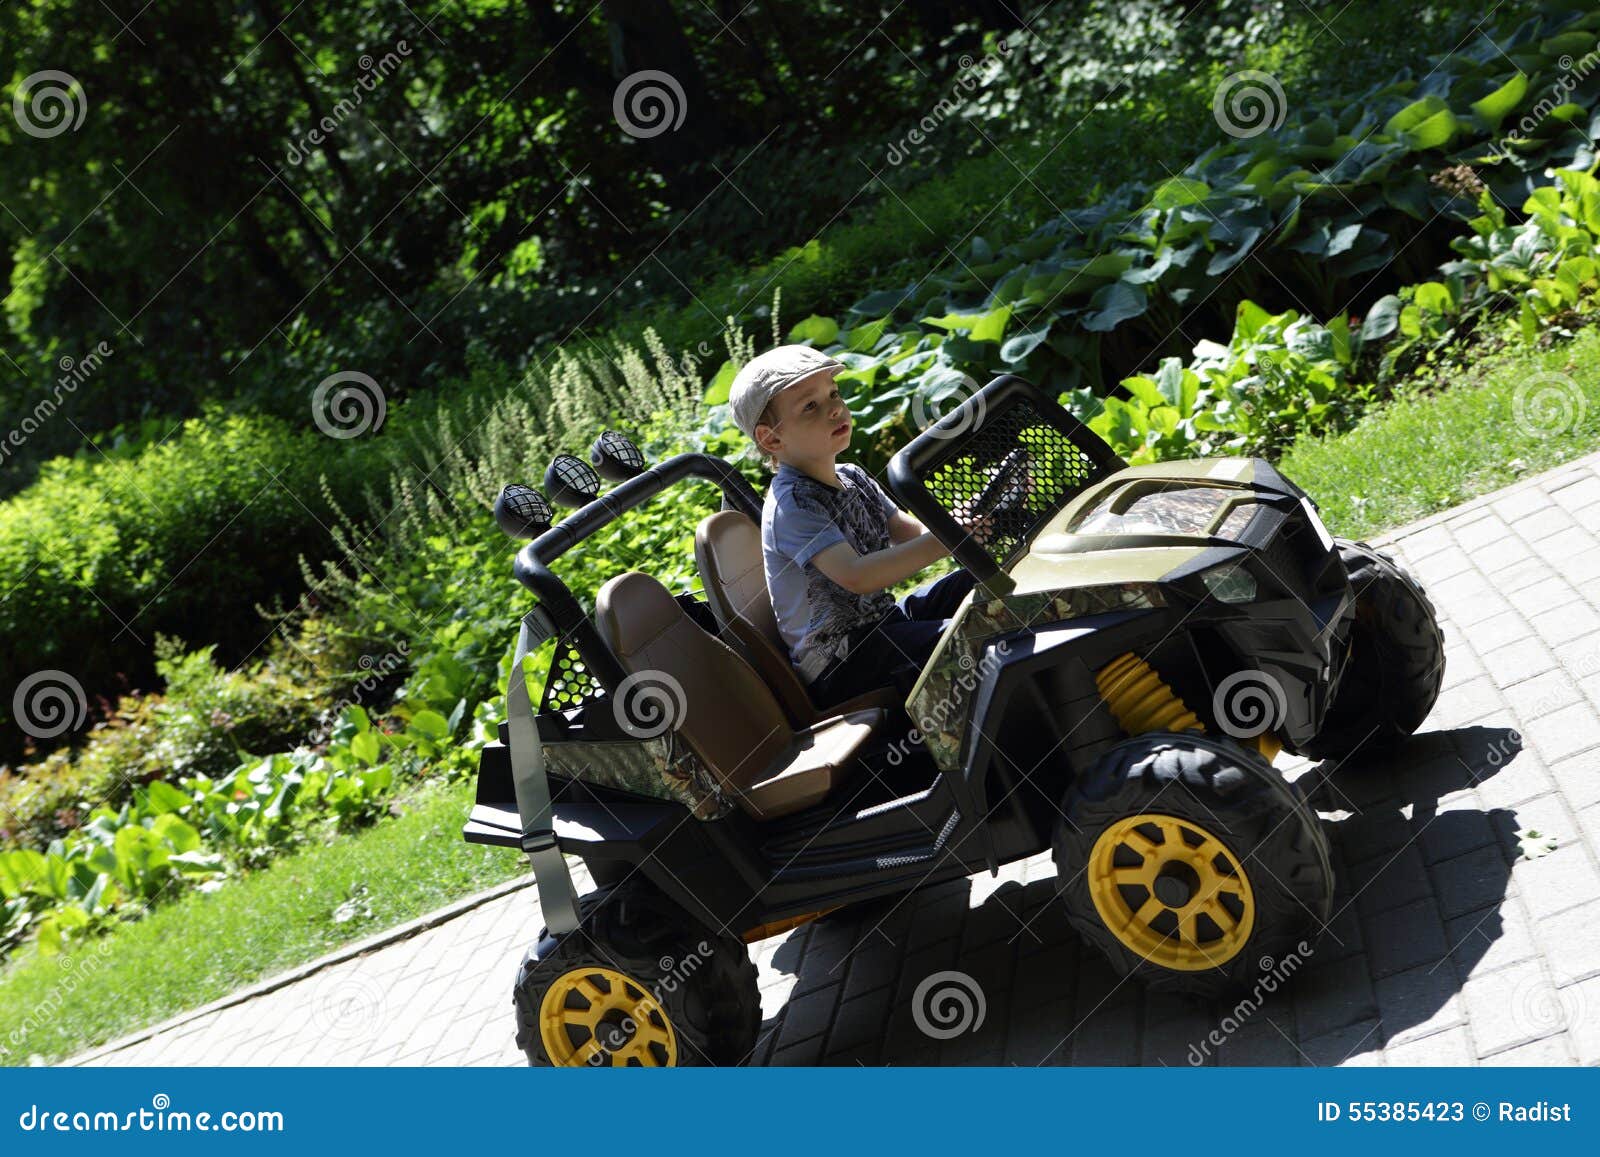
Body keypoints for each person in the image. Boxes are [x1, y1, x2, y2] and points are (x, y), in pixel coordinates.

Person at [728, 344, 978, 710]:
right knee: (967, 636)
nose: (834, 408)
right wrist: (949, 540)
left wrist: (965, 523)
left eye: (833, 393)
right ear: (772, 439)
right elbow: (857, 576)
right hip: (842, 662)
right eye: (810, 406)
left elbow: (912, 535)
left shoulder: (853, 476)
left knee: (975, 583)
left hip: (881, 625)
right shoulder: (793, 506)